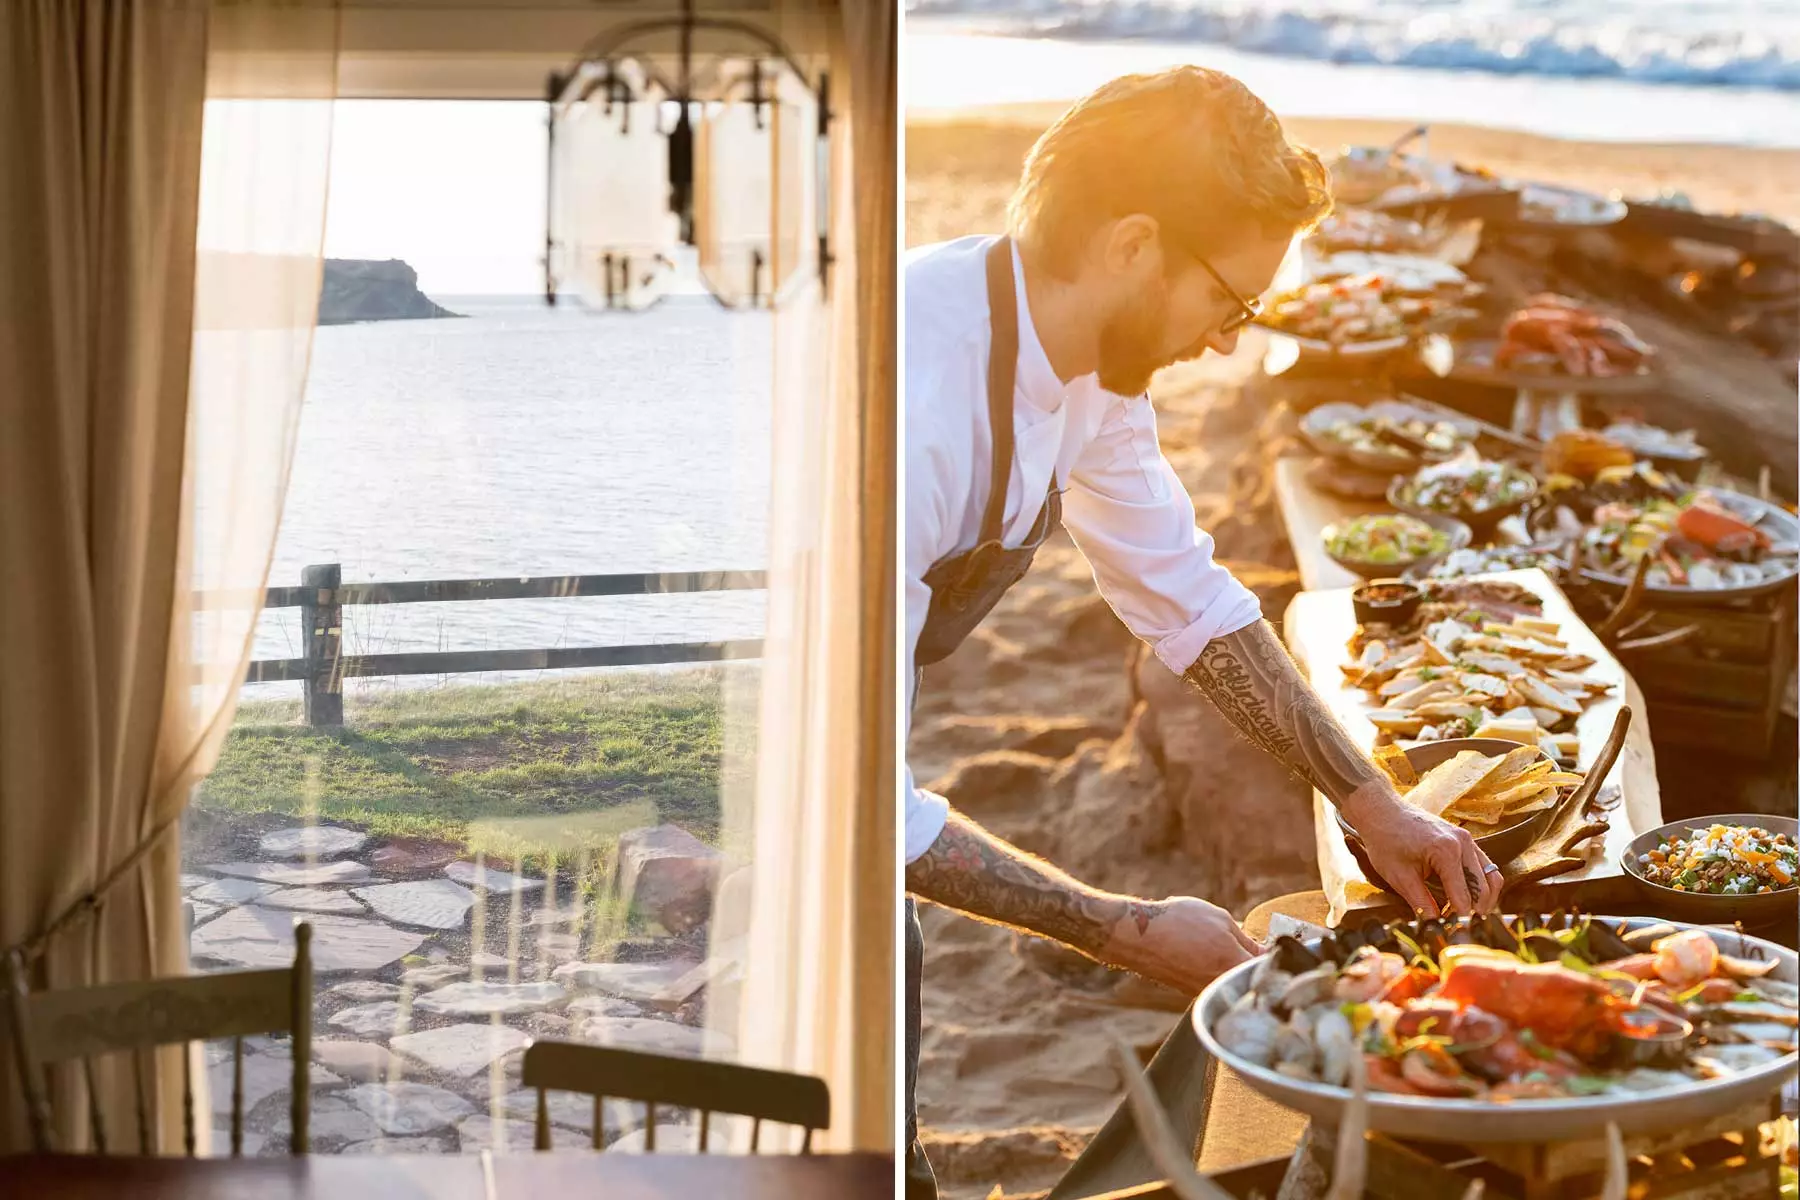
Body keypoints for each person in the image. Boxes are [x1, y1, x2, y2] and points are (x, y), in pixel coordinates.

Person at [901, 66, 1501, 1198]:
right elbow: (852, 803)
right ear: (1132, 245)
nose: (1230, 345)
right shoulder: (910, 409)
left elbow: (1188, 598)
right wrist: (1122, 930)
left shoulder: (1086, 372)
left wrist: (1370, 803)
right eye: (1230, 303)